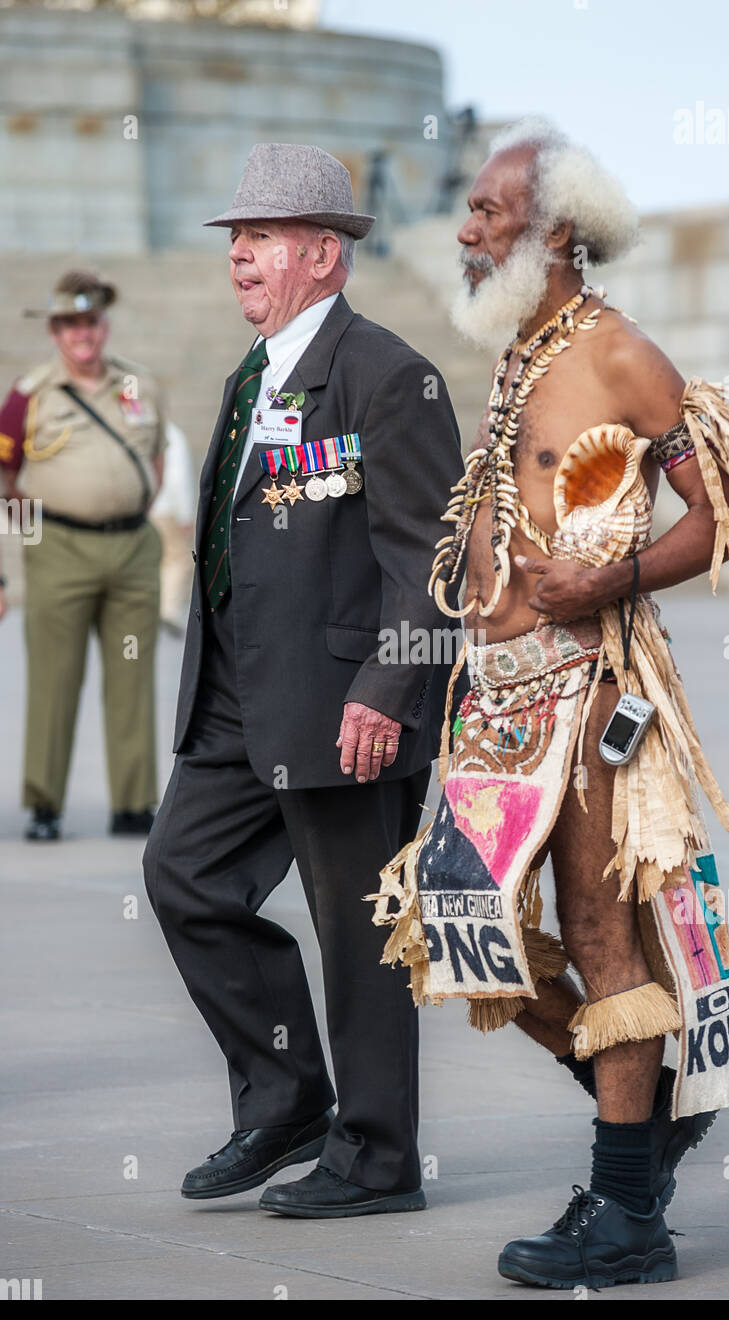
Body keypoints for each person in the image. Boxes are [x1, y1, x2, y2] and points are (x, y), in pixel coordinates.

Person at [370, 119, 729, 1288]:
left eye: (487, 211)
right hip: (495, 699)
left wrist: (606, 578)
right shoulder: (516, 348)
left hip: (588, 693)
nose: (466, 230)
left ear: (556, 230)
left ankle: (627, 1216)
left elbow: (717, 518)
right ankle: (650, 1116)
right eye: (472, 211)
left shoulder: (620, 352)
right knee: (458, 924)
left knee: (597, 934)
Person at [142, 144, 465, 1217]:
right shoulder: (256, 373)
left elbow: (432, 560)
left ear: (323, 254)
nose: (239, 255)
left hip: (344, 703)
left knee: (358, 935)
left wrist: (388, 687)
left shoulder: (386, 374)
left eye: (261, 238)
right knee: (184, 876)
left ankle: (377, 1158)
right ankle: (286, 1097)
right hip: (236, 693)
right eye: (236, 238)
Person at [0, 270, 166, 841]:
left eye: (91, 321)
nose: (82, 333)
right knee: (55, 677)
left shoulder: (139, 385)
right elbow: (4, 474)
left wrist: (130, 504)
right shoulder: (29, 393)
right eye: (70, 324)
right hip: (59, 547)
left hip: (132, 548)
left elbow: (155, 458)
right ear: (54, 331)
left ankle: (133, 803)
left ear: (104, 325)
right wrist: (29, 537)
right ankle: (44, 803)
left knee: (132, 675)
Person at [149, 420, 197, 634]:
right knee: (177, 558)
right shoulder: (173, 435)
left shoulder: (140, 427)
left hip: (145, 508)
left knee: (155, 558)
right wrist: (186, 514)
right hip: (166, 509)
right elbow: (179, 477)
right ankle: (168, 609)